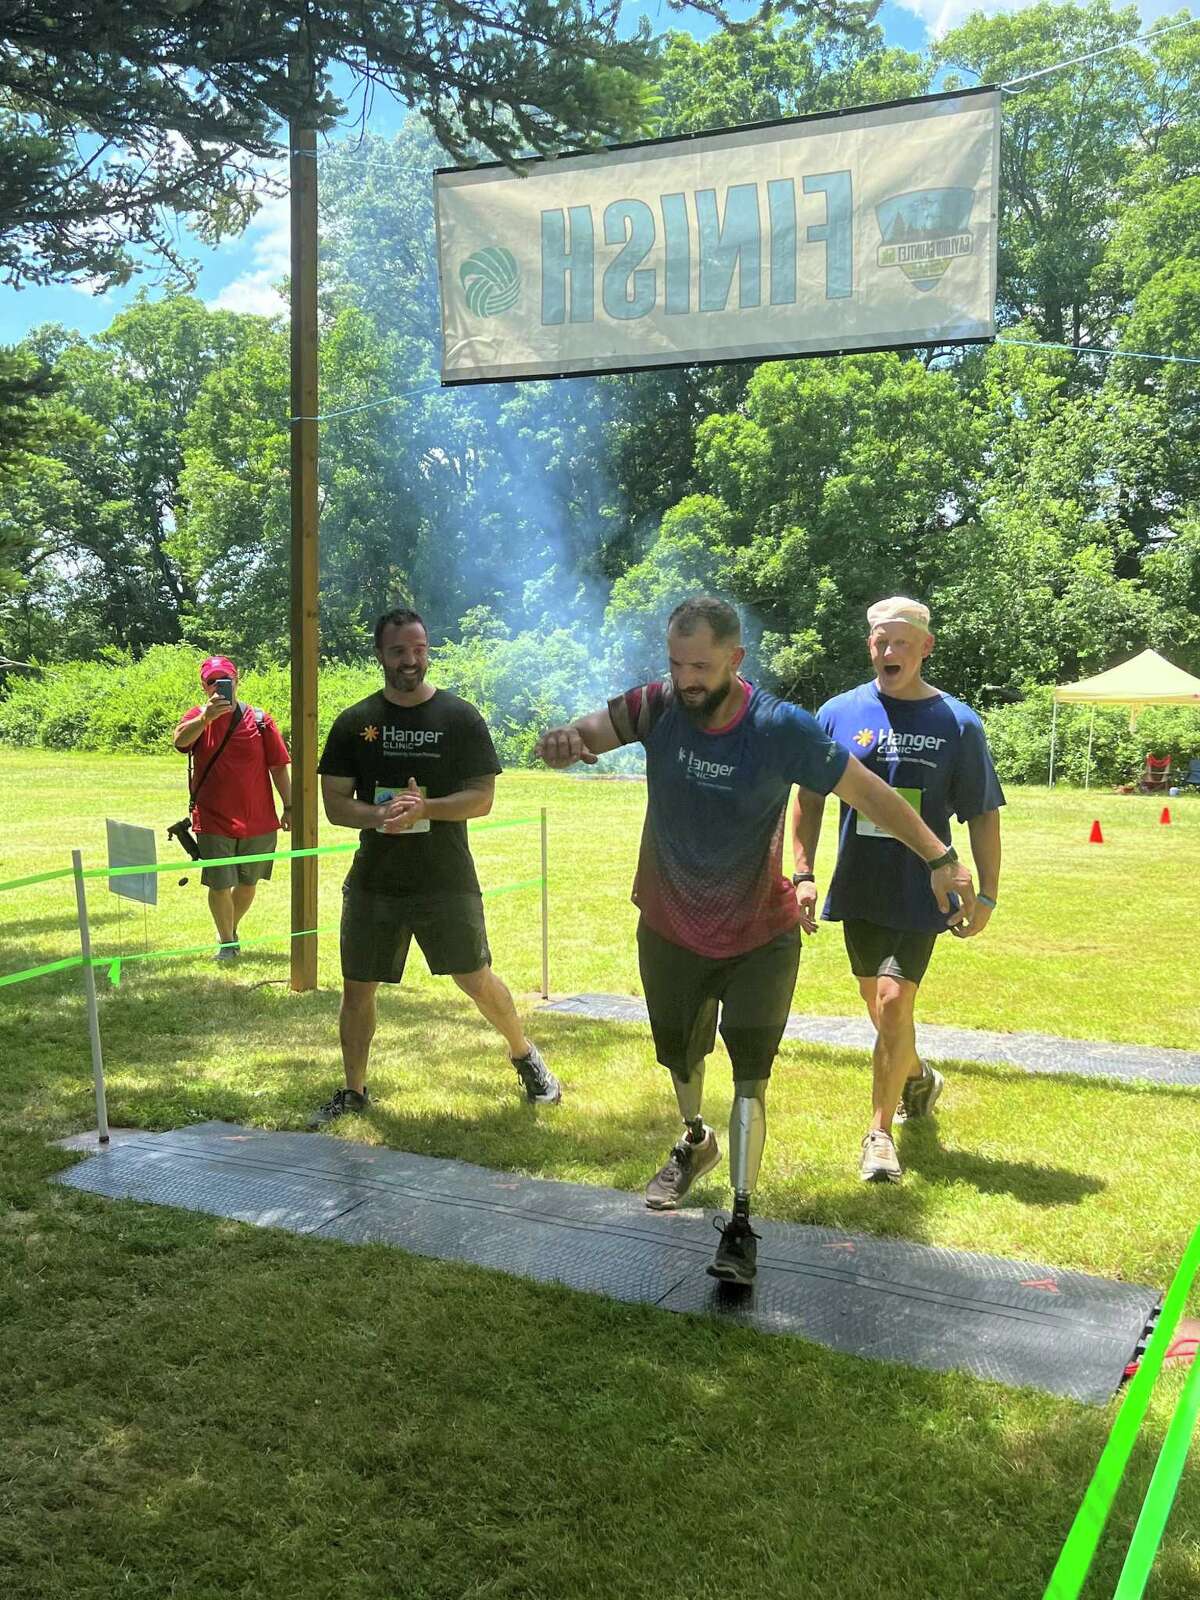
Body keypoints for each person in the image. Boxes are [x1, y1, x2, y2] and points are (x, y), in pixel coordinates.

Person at [535, 597, 975, 1286]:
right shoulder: (655, 706)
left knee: (748, 1077)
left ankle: (740, 1223)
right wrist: (565, 740)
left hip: (758, 935)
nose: (686, 679)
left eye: (701, 666)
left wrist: (940, 857)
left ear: (735, 660)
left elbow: (870, 793)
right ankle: (692, 1141)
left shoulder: (779, 727)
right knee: (681, 1060)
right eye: (677, 663)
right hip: (669, 924)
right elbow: (590, 730)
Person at [312, 606, 560, 1126]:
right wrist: (380, 816)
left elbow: (482, 797)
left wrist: (428, 809)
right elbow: (334, 803)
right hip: (375, 881)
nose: (411, 660)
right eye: (399, 650)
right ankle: (354, 1090)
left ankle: (524, 1055)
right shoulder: (356, 723)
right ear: (380, 654)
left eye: (420, 649)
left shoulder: (460, 718)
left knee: (475, 977)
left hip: (445, 878)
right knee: (358, 987)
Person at [792, 596, 1004, 1185]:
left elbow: (983, 813)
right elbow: (807, 801)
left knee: (892, 1002)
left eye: (900, 643)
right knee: (878, 1005)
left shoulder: (958, 723)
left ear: (925, 648)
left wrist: (986, 895)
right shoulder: (837, 713)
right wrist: (803, 874)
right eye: (880, 642)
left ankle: (879, 1133)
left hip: (924, 893)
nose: (889, 652)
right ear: (870, 646)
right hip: (859, 887)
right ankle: (917, 1076)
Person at [173, 655, 292, 961]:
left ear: (237, 681)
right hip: (213, 818)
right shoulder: (197, 715)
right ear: (204, 686)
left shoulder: (261, 720)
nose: (218, 687)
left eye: (224, 680)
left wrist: (290, 805)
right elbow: (179, 742)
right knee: (219, 883)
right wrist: (205, 719)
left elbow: (278, 766)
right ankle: (227, 943)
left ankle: (229, 929)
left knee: (249, 883)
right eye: (212, 682)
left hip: (259, 818)